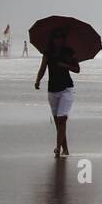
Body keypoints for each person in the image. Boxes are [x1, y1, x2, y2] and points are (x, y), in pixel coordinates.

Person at [35, 29, 81, 159]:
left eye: (61, 37)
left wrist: (64, 65)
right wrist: (38, 80)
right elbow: (43, 68)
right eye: (56, 37)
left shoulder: (68, 52)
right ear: (52, 39)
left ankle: (57, 148)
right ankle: (65, 149)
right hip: (52, 90)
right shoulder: (47, 53)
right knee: (58, 122)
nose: (58, 40)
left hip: (66, 89)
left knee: (62, 119)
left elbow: (77, 69)